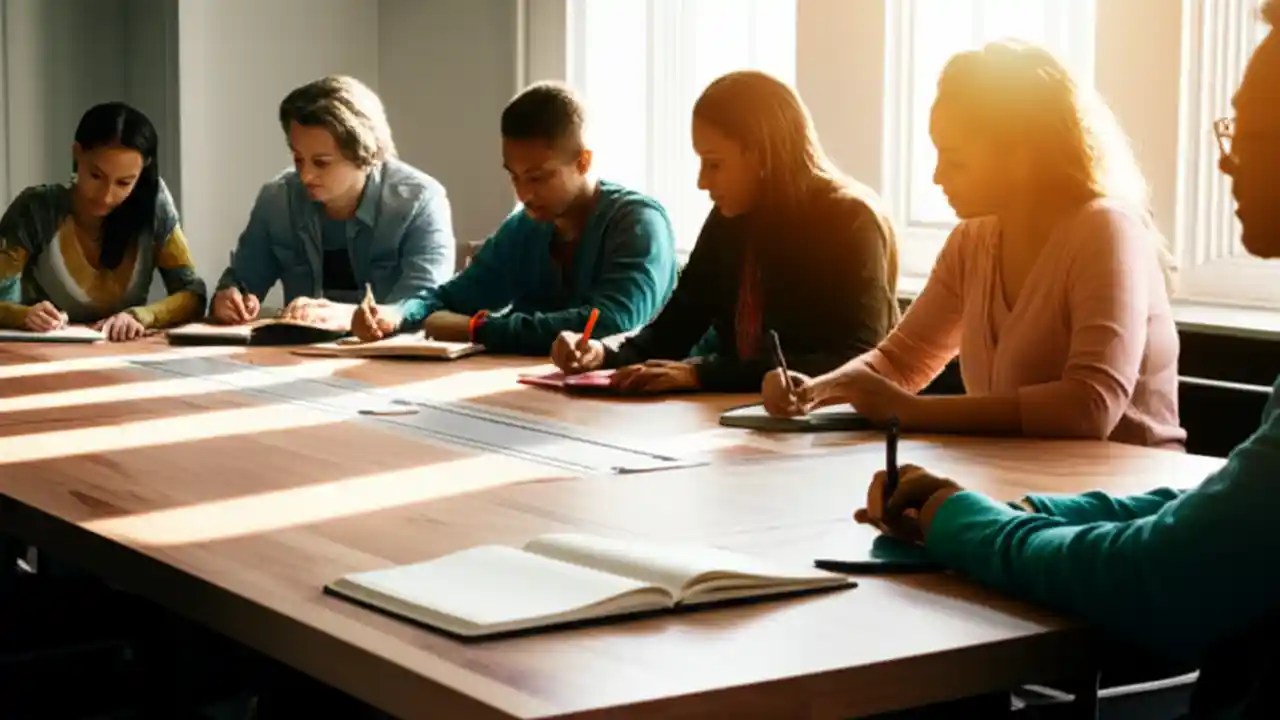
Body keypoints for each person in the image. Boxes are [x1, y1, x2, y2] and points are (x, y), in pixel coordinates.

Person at [860, 7, 1280, 716]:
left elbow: (1164, 572)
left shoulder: (1103, 228)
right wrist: (1024, 511)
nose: (1225, 158)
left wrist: (966, 523)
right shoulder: (976, 237)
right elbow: (1204, 512)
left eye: (1252, 134)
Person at [763, 40, 1183, 448]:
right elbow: (900, 361)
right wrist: (815, 390)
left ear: (1022, 156)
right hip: (1027, 489)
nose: (937, 175)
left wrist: (912, 412)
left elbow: (1090, 407)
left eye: (956, 159)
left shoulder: (1104, 230)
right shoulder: (972, 241)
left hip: (1130, 502)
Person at [550, 71, 899, 393]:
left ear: (762, 155)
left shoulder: (851, 220)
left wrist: (702, 375)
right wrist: (602, 351)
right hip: (740, 417)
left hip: (832, 431)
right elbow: (676, 324)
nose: (702, 182)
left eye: (714, 164)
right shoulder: (731, 217)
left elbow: (858, 359)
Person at [352, 81, 677, 354]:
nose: (523, 194)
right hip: (539, 390)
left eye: (538, 177)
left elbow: (611, 322)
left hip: (642, 405)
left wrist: (479, 329)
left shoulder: (639, 223)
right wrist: (395, 314)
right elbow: (452, 297)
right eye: (514, 176)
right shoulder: (525, 226)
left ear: (583, 161)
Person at [211, 75, 454, 330]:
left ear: (368, 154)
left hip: (391, 362)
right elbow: (242, 281)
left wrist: (353, 317)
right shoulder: (277, 200)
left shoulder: (420, 201)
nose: (305, 175)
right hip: (294, 360)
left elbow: (424, 305)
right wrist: (228, 299)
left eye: (322, 162)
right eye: (297, 159)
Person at [0, 102, 205, 341]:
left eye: (124, 183)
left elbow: (193, 294)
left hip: (126, 354)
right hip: (40, 355)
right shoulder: (37, 209)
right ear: (77, 153)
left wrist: (141, 316)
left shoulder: (153, 205)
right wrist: (24, 315)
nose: (106, 196)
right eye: (96, 176)